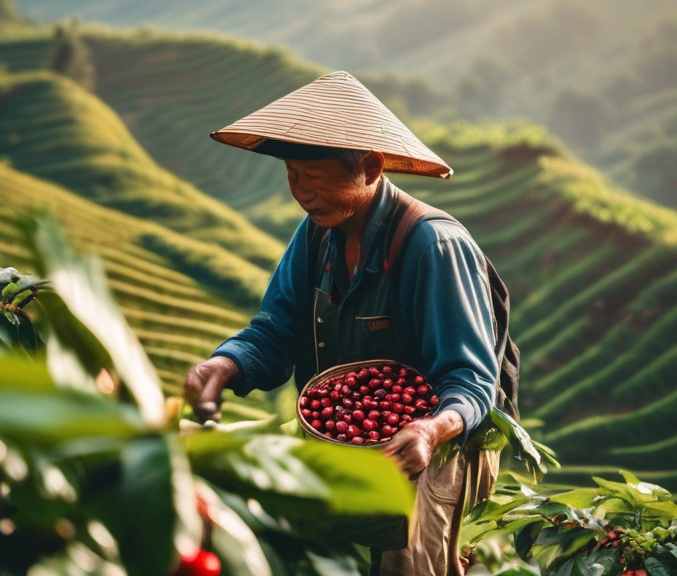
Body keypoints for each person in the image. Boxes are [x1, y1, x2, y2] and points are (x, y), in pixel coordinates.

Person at [185, 71, 504, 576]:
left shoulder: (433, 247)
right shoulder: (316, 236)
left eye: (314, 175)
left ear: (372, 167)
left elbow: (469, 380)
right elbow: (277, 330)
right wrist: (227, 364)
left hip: (433, 445)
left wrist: (428, 428)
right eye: (292, 174)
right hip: (340, 437)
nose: (301, 192)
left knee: (402, 563)